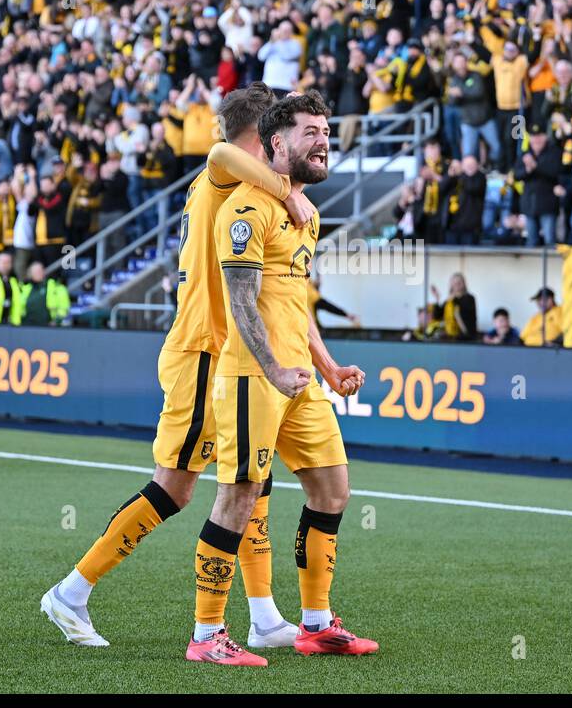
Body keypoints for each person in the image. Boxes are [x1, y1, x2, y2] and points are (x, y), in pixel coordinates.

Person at [40, 85, 351, 656]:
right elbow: (218, 153)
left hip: (234, 354)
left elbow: (288, 289)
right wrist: (286, 187)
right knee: (176, 489)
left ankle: (263, 617)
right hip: (205, 352)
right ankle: (73, 590)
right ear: (263, 139)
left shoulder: (257, 196)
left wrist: (325, 363)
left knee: (253, 483)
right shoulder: (229, 178)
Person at [191, 92, 377, 663]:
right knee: (239, 495)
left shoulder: (309, 213)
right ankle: (206, 636)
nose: (323, 141)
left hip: (299, 381)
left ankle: (316, 624)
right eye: (310, 133)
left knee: (333, 488)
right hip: (254, 375)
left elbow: (294, 301)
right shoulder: (245, 208)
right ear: (276, 143)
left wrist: (327, 366)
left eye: (326, 131)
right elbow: (241, 300)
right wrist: (272, 368)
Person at [11, 260, 71, 327]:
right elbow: (16, 306)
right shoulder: (24, 288)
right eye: (35, 271)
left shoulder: (55, 287)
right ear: (30, 273)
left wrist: (57, 321)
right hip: (26, 325)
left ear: (43, 272)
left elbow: (64, 307)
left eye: (39, 271)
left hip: (47, 326)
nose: (37, 273)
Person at [430, 273, 478, 341]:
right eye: (454, 283)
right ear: (451, 285)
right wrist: (437, 298)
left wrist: (453, 298)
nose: (457, 285)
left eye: (459, 282)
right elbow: (437, 316)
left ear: (464, 284)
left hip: (467, 338)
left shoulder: (470, 298)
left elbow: (466, 313)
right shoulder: (449, 300)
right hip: (451, 338)